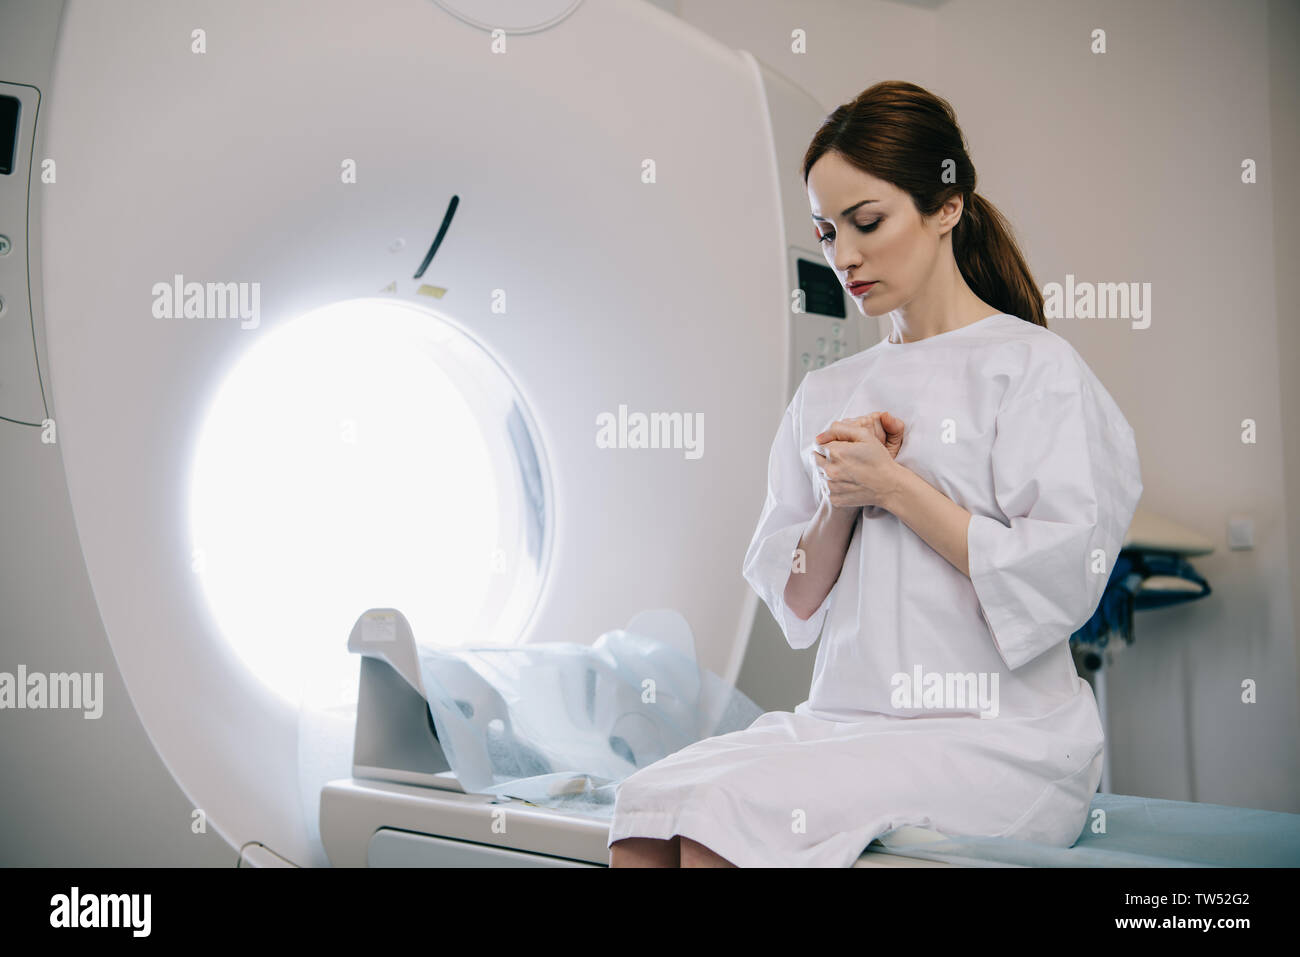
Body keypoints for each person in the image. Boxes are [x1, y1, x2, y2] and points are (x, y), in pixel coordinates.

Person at [606, 80, 1143, 868]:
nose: (843, 256)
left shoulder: (1032, 367)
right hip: (847, 717)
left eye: (867, 222)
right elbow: (795, 595)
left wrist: (897, 488)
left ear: (946, 207)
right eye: (826, 231)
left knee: (725, 815)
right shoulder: (827, 392)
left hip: (994, 735)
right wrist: (840, 499)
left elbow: (1059, 578)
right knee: (648, 805)